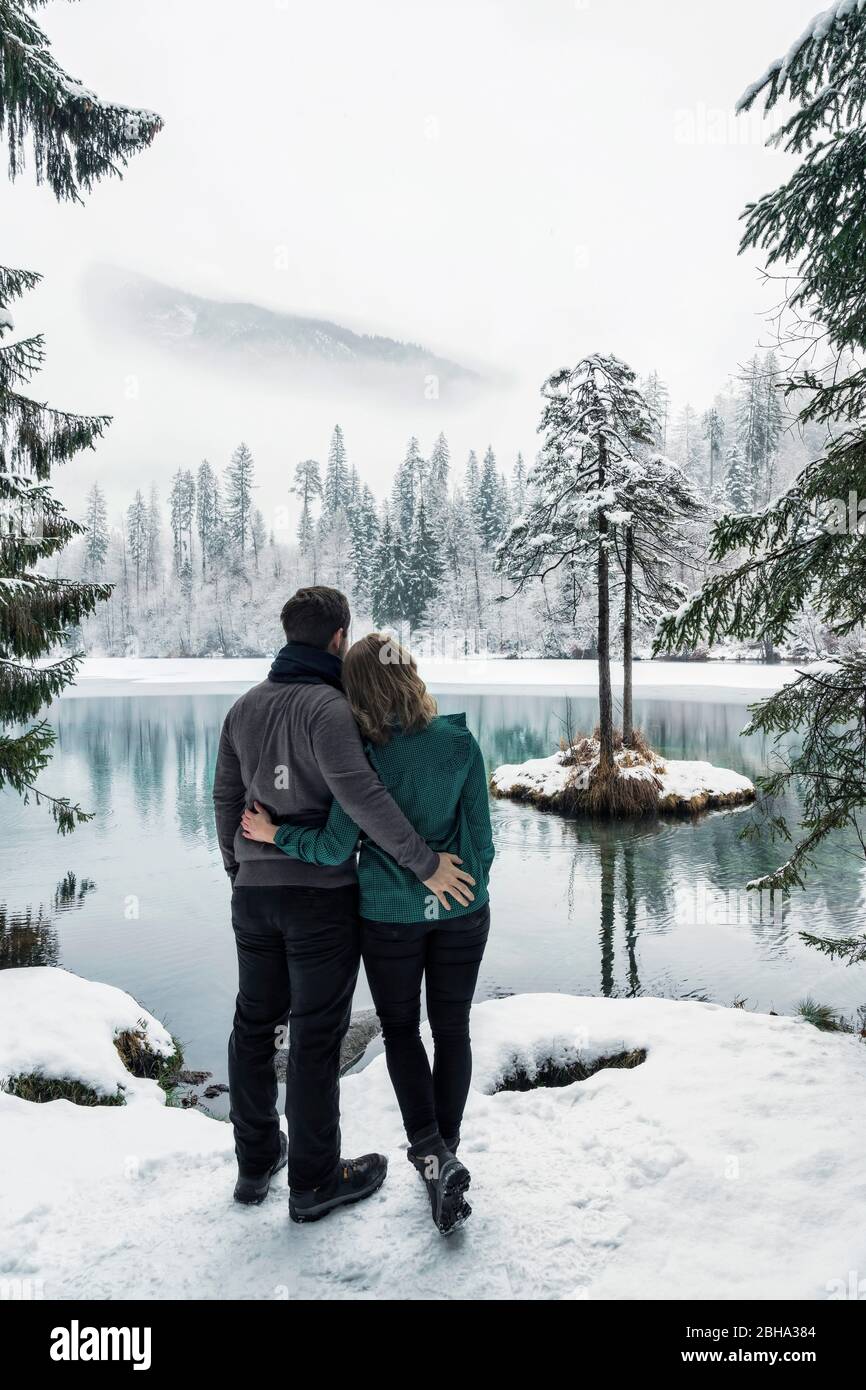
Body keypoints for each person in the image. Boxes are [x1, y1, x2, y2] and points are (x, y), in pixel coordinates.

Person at [212, 588, 475, 1225]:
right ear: (337, 638)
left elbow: (224, 797)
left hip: (254, 895)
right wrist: (425, 863)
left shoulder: (244, 708)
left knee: (254, 1023)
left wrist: (238, 868)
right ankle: (314, 1179)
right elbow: (360, 798)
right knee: (314, 1034)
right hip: (320, 902)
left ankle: (254, 1164)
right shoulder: (330, 709)